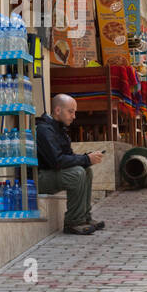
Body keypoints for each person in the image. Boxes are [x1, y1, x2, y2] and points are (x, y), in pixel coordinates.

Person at [36, 94, 106, 235]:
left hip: (50, 174)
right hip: (38, 179)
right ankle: (73, 222)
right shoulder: (44, 130)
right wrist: (86, 159)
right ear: (57, 110)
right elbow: (57, 161)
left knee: (86, 171)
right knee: (77, 173)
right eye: (71, 111)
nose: (74, 116)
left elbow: (68, 157)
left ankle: (85, 217)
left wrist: (87, 158)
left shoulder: (59, 129)